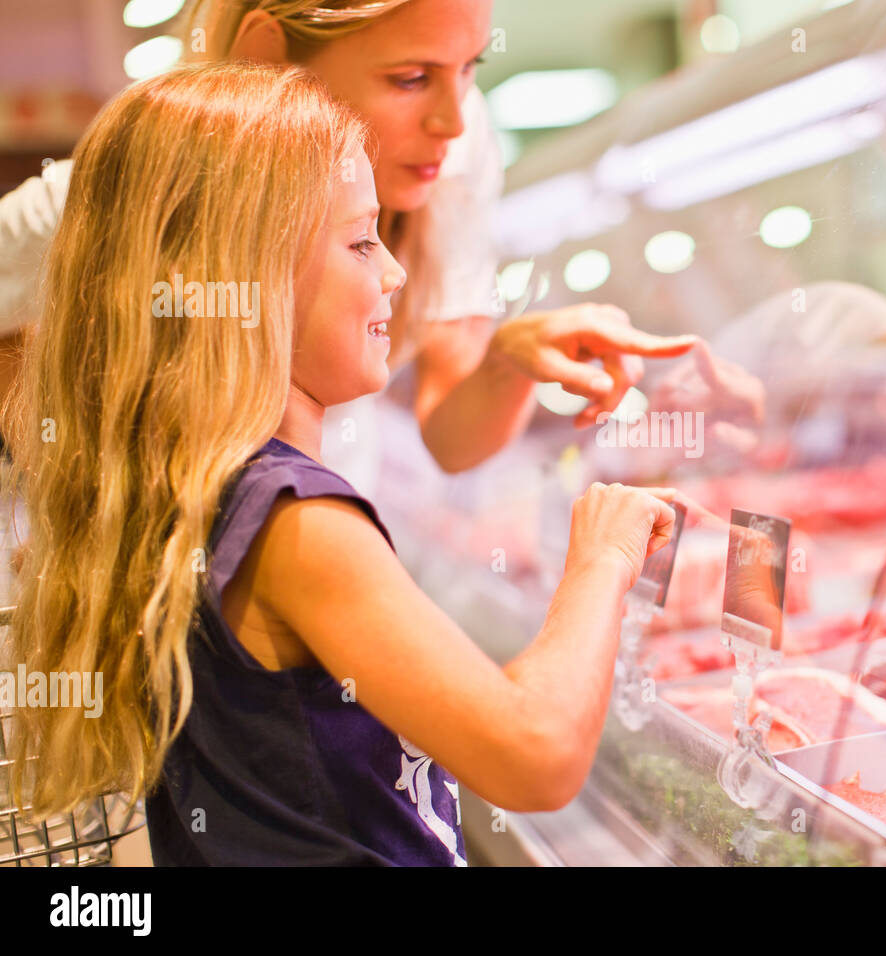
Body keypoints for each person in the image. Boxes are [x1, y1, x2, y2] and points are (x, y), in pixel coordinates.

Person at [2, 62, 679, 866]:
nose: (394, 272)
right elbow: (535, 754)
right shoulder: (292, 522)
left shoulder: (187, 485)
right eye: (362, 241)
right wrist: (602, 559)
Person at [0, 0, 697, 488]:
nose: (453, 119)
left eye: (470, 68)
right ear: (266, 55)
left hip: (318, 525)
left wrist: (508, 360)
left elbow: (450, 440)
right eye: (411, 78)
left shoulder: (455, 147)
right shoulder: (118, 191)